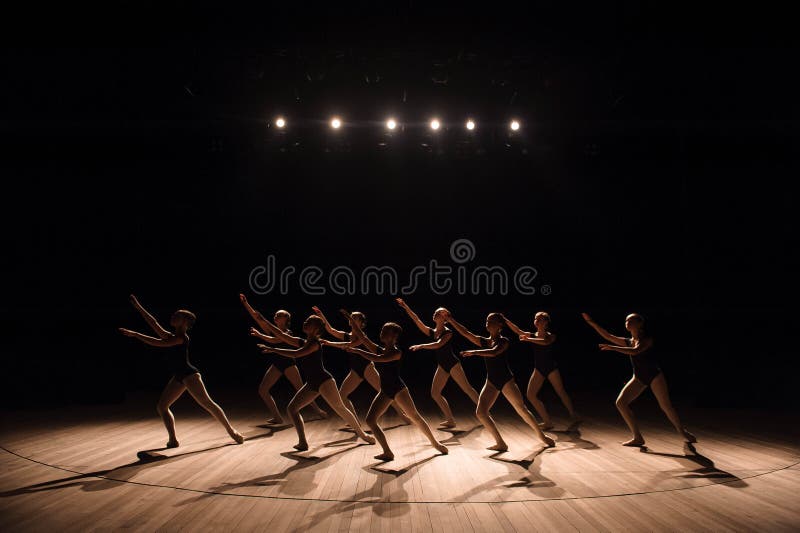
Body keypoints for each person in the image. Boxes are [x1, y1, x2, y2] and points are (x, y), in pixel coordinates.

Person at [119, 294, 244, 448]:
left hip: (189, 375)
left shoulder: (182, 338)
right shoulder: (172, 335)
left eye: (177, 315)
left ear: (185, 322)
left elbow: (159, 343)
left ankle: (232, 431)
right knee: (162, 406)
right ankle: (173, 439)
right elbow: (154, 323)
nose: (173, 316)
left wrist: (136, 334)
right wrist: (139, 308)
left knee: (207, 403)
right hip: (179, 376)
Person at [257, 314, 375, 451]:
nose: (305, 322)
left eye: (309, 321)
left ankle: (362, 434)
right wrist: (264, 320)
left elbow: (296, 354)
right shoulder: (303, 341)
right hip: (312, 383)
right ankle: (303, 442)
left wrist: (273, 349)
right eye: (306, 320)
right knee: (292, 409)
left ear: (316, 329)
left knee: (340, 408)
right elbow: (282, 336)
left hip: (325, 381)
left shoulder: (314, 344)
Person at [340, 314, 449, 462]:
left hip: (398, 389)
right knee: (370, 420)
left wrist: (357, 351)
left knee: (415, 416)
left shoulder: (397, 352)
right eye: (382, 330)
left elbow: (378, 359)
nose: (382, 333)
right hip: (385, 390)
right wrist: (353, 323)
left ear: (394, 336)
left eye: (386, 331)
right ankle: (387, 452)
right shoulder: (379, 349)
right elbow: (364, 340)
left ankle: (435, 443)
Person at [444, 310, 555, 451]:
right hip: (491, 381)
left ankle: (542, 436)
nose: (487, 323)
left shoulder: (504, 341)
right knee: (481, 413)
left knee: (522, 409)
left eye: (491, 321)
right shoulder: (484, 341)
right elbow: (466, 333)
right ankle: (500, 443)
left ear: (499, 325)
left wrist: (474, 352)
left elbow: (494, 352)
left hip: (506, 380)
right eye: (487, 321)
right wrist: (451, 320)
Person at [582, 312, 697, 446]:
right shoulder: (629, 341)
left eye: (630, 321)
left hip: (654, 375)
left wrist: (613, 348)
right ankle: (637, 437)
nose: (627, 323)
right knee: (621, 403)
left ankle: (682, 431)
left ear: (640, 324)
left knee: (666, 406)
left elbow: (635, 351)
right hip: (639, 377)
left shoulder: (647, 339)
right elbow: (608, 335)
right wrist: (592, 322)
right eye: (626, 321)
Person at [312, 306, 411, 426]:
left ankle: (402, 414)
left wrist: (329, 343)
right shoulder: (347, 334)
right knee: (342, 395)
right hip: (355, 370)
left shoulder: (361, 336)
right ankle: (354, 421)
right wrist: (321, 314)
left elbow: (351, 344)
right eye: (351, 316)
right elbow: (331, 330)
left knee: (386, 392)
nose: (352, 318)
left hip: (367, 368)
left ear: (362, 324)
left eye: (355, 317)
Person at [239, 294, 327, 424]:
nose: (276, 316)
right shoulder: (272, 330)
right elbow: (258, 318)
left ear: (286, 319)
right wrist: (246, 303)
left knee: (300, 389)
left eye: (279, 315)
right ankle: (277, 417)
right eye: (275, 314)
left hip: (288, 364)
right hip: (277, 364)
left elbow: (276, 340)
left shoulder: (288, 333)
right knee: (263, 390)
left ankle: (318, 410)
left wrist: (260, 335)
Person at [396, 298, 480, 428]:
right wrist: (405, 306)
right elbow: (417, 320)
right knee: (435, 393)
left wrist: (422, 346)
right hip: (442, 365)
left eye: (440, 313)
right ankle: (450, 420)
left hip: (452, 364)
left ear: (445, 318)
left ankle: (485, 412)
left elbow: (438, 345)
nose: (436, 313)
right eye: (436, 312)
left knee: (467, 389)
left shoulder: (448, 332)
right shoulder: (433, 331)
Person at [502, 312, 578, 429]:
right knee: (530, 395)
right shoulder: (532, 335)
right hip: (539, 369)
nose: (537, 320)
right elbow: (517, 330)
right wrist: (505, 320)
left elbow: (544, 342)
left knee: (561, 392)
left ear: (546, 322)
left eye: (540, 319)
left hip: (551, 368)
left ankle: (573, 414)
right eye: (536, 319)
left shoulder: (551, 336)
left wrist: (529, 339)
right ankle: (547, 421)